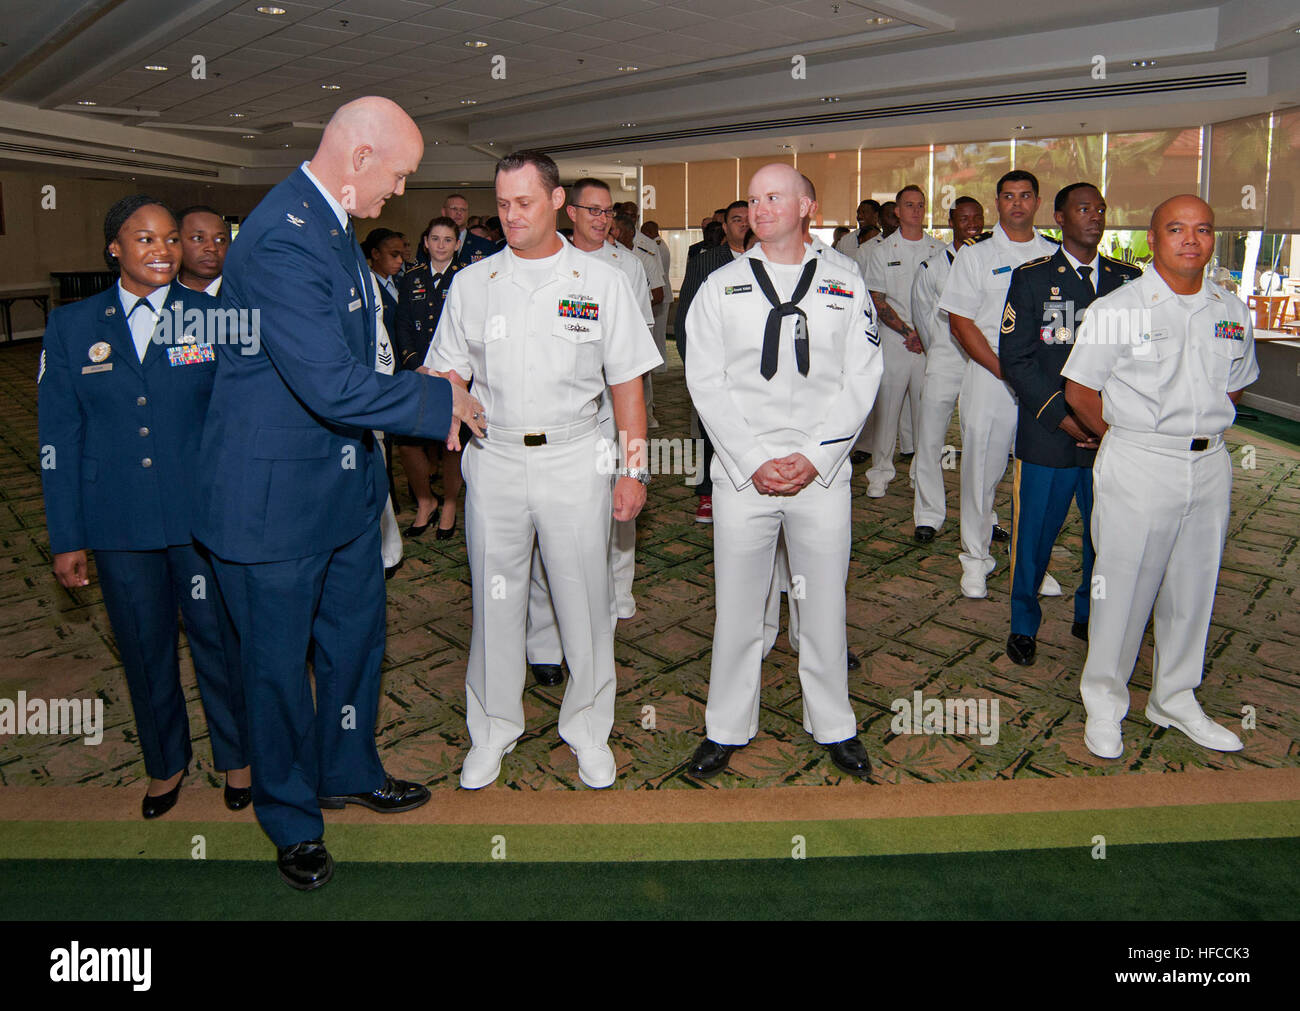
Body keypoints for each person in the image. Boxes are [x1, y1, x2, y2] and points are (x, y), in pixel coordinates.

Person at [193, 97, 485, 891]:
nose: (399, 192)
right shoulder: (283, 236)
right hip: (272, 506)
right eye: (397, 174)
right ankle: (291, 816)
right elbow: (327, 382)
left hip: (342, 492)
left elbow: (354, 356)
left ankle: (346, 765)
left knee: (355, 646)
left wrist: (414, 382)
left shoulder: (330, 226)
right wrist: (437, 403)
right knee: (279, 671)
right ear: (359, 158)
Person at [425, 150, 661, 791]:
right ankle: (493, 729)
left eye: (524, 202)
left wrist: (633, 472)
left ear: (557, 202)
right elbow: (445, 366)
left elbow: (628, 388)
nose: (510, 216)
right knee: (494, 602)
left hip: (575, 456)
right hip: (495, 456)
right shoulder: (474, 284)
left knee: (584, 602)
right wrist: (449, 391)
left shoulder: (602, 280)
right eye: (501, 204)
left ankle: (588, 729)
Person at [38, 194, 250, 820]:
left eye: (170, 240)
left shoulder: (217, 317)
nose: (163, 251)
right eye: (145, 240)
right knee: (142, 645)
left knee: (218, 640)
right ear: (114, 248)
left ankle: (237, 755)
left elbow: (241, 421)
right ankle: (166, 763)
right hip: (117, 520)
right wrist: (66, 535)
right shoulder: (71, 326)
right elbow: (59, 436)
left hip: (199, 521)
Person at [683, 162, 883, 780]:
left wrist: (818, 456)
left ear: (807, 206)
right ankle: (726, 726)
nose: (760, 207)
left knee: (822, 604)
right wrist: (751, 459)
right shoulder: (721, 285)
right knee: (739, 608)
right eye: (753, 198)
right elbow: (704, 380)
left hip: (821, 472)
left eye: (775, 196)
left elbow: (863, 377)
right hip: (745, 472)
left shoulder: (847, 283)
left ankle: (833, 722)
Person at [1062, 194, 1257, 759]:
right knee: (1122, 590)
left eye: (1202, 229)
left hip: (1209, 462)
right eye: (1176, 229)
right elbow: (1080, 390)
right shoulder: (1118, 308)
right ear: (1154, 237)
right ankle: (1104, 701)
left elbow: (1236, 384)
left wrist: (1198, 427)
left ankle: (1175, 696)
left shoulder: (1230, 308)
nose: (1190, 239)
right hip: (1139, 462)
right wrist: (1125, 437)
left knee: (1193, 588)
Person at [998, 183, 1141, 666]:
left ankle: (1090, 612)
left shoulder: (1129, 281)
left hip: (1113, 437)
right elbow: (1017, 359)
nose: (1095, 216)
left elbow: (1139, 361)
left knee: (1106, 535)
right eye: (1084, 208)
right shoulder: (1034, 278)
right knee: (1034, 536)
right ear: (1059, 217)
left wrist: (1104, 423)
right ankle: (1023, 622)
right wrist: (1064, 417)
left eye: (1101, 208)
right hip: (1050, 434)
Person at [523, 178, 656, 689]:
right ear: (569, 211)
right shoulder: (544, 264)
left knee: (619, 513)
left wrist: (636, 424)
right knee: (546, 529)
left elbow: (636, 354)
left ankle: (613, 600)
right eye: (593, 211)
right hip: (557, 419)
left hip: (612, 411)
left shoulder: (628, 267)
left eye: (609, 212)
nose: (603, 220)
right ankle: (544, 641)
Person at [939, 170, 1060, 598]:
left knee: (1038, 477)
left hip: (1043, 385)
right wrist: (1006, 371)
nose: (1017, 204)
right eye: (1008, 196)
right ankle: (975, 559)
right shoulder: (977, 256)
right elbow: (960, 322)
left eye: (1025, 195)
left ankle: (1032, 563)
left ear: (1037, 201)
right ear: (998, 203)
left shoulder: (1054, 255)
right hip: (991, 377)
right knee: (980, 474)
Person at [859, 185, 945, 498]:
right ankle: (880, 473)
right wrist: (908, 331)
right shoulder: (882, 250)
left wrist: (923, 334)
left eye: (921, 205)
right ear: (897, 210)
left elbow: (944, 299)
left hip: (928, 342)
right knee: (887, 411)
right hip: (895, 341)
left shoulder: (939, 250)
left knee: (927, 412)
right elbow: (877, 299)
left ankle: (920, 472)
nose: (916, 211)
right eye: (909, 205)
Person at [911, 196, 984, 543]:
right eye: (964, 218)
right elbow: (923, 317)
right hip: (943, 359)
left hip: (981, 363)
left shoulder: (990, 261)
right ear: (951, 221)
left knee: (981, 442)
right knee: (930, 439)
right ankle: (928, 514)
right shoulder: (932, 267)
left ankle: (985, 515)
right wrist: (936, 349)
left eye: (977, 218)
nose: (971, 224)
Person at [675, 200, 751, 523]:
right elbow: (686, 322)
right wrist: (696, 368)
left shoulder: (767, 261)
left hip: (752, 370)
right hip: (714, 367)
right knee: (711, 430)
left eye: (749, 219)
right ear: (725, 226)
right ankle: (706, 494)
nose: (744, 225)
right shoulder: (707, 263)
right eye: (737, 219)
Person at [393, 215, 464, 539]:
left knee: (452, 445)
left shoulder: (467, 278)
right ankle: (425, 501)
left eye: (447, 240)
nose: (440, 245)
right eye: (435, 239)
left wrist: (456, 372)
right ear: (425, 242)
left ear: (457, 244)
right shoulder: (412, 278)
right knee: (408, 443)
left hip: (455, 376)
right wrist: (414, 364)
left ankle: (449, 504)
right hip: (419, 372)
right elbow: (403, 326)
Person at [614, 211, 666, 428]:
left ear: (627, 232)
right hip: (615, 326)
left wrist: (633, 313)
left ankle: (646, 412)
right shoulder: (604, 255)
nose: (612, 235)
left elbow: (658, 293)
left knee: (642, 371)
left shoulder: (644, 253)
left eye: (615, 230)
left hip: (640, 321)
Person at [175, 205, 229, 295]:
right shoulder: (157, 297)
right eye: (198, 238)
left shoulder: (248, 297)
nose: (212, 248)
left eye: (220, 240)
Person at [363, 227, 404, 338]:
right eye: (394, 255)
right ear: (376, 254)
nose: (400, 260)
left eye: (402, 255)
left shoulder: (403, 281)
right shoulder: (366, 286)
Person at [441, 193, 497, 267]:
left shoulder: (485, 245)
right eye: (454, 209)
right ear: (443, 212)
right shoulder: (432, 244)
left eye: (463, 209)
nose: (459, 213)